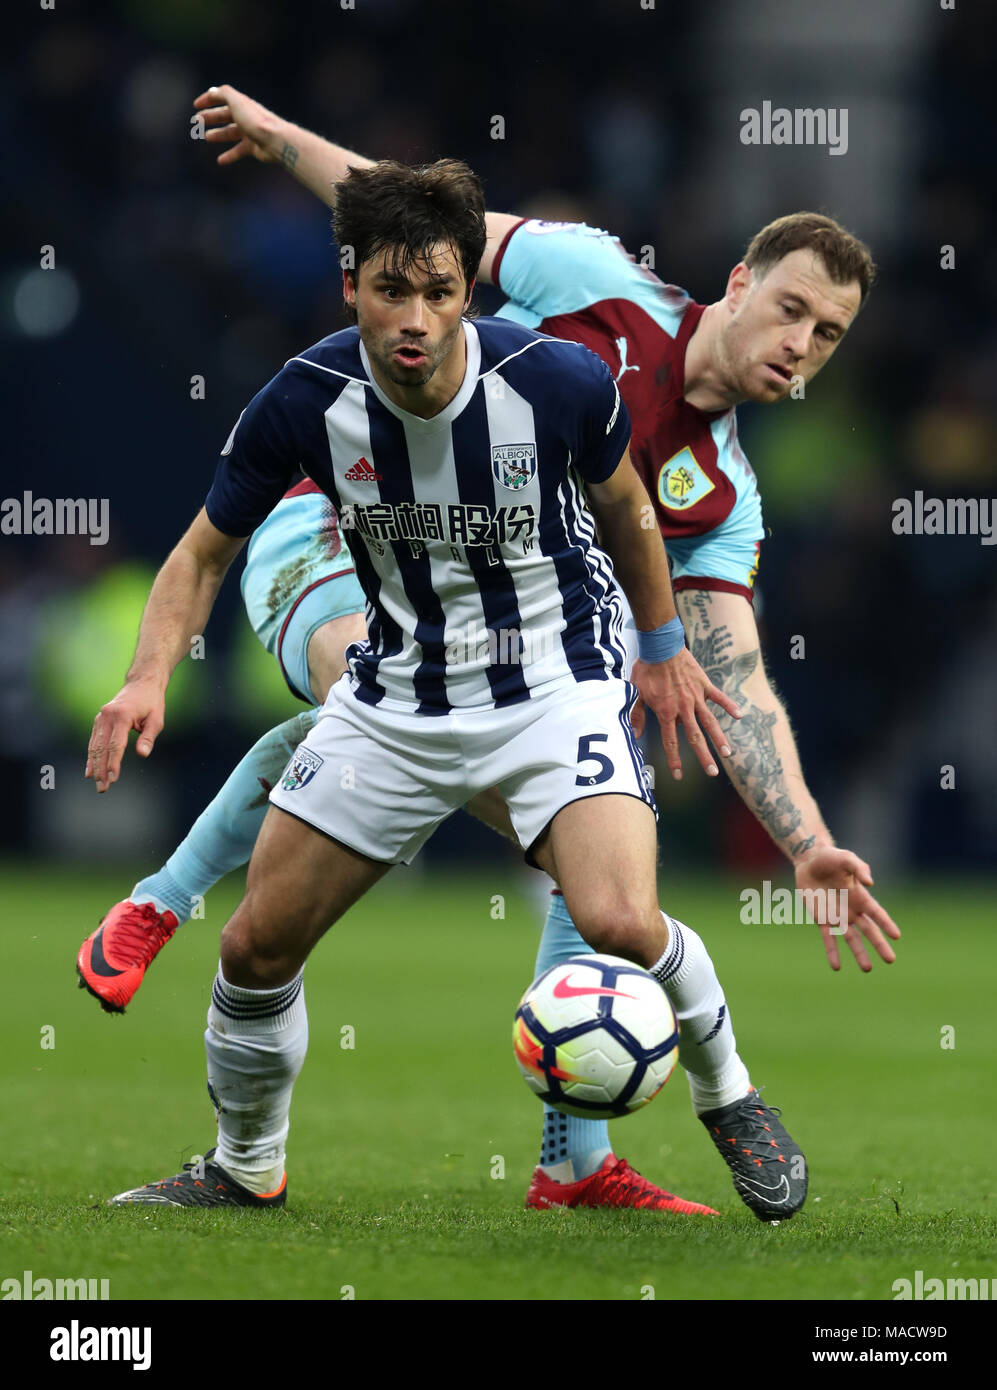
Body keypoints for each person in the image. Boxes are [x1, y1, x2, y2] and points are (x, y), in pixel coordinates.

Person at [88, 155, 776, 1215]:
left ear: (468, 292)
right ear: (351, 282)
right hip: (398, 698)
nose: (415, 317)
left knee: (619, 919)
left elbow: (631, 512)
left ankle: (729, 1097)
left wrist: (658, 645)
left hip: (554, 686)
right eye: (392, 289)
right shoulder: (305, 397)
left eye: (441, 292)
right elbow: (197, 555)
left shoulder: (554, 381)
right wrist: (145, 678)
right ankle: (244, 1164)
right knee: (254, 947)